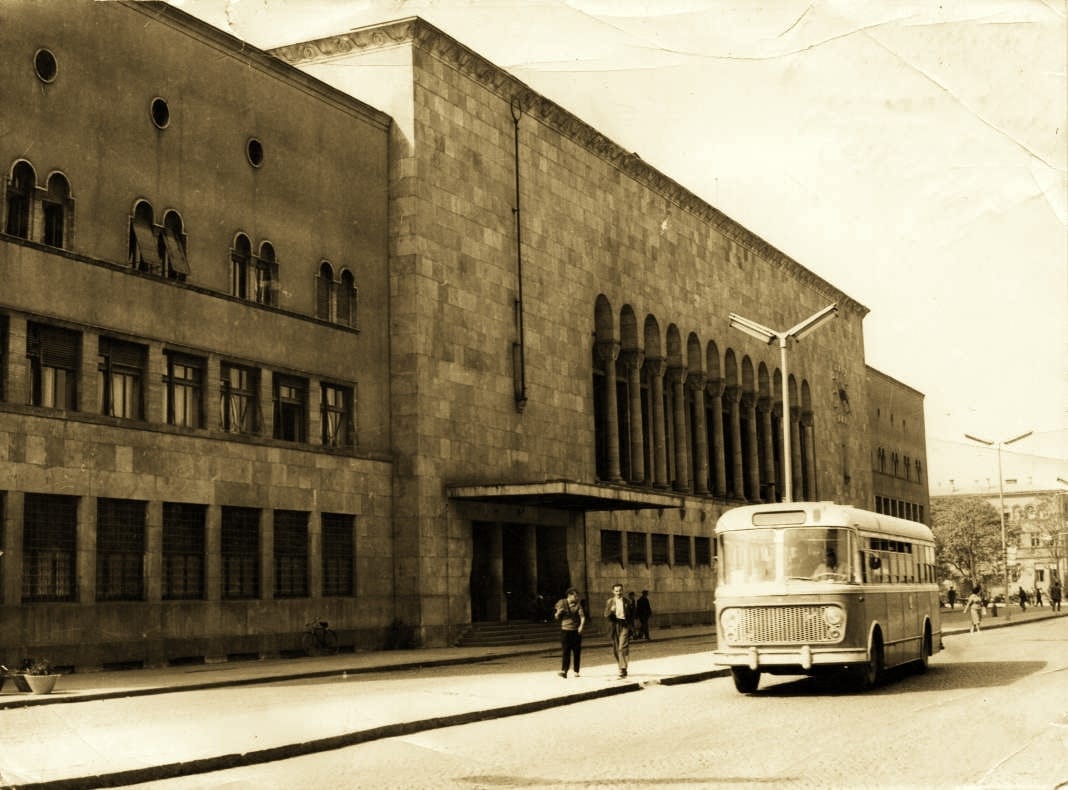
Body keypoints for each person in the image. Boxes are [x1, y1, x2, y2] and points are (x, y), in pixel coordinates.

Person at [604, 582, 635, 679]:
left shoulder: (627, 602)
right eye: (616, 591)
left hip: (624, 625)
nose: (618, 593)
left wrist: (632, 628)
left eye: (620, 590)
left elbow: (632, 616)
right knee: (616, 649)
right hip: (614, 626)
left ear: (623, 591)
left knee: (622, 647)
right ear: (613, 591)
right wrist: (611, 611)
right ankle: (622, 668)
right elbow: (606, 615)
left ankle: (622, 668)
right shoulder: (609, 601)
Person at [553, 587, 585, 678]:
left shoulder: (578, 605)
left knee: (576, 651)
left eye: (577, 596)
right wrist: (558, 612)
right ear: (569, 595)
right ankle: (564, 671)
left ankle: (576, 671)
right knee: (565, 651)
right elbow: (556, 617)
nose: (577, 598)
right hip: (565, 630)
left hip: (576, 631)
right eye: (575, 596)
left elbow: (582, 617)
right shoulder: (561, 603)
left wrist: (581, 626)